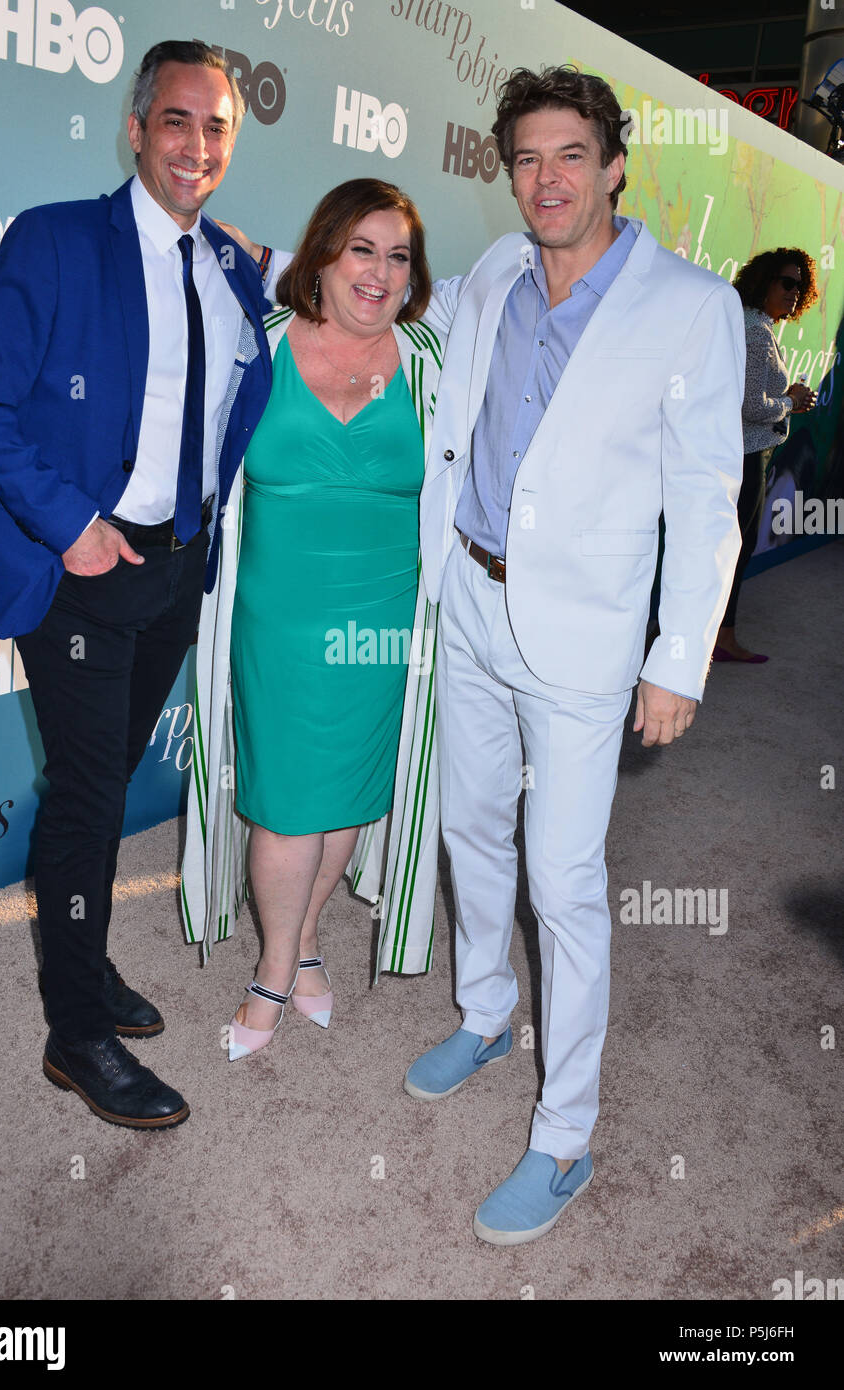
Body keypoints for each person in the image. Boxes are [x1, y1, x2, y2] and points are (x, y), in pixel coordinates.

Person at [405, 65, 746, 1244]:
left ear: (613, 166)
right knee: (467, 827)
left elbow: (708, 497)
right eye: (526, 159)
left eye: (568, 156)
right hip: (471, 603)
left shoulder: (691, 307)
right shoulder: (498, 270)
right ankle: (487, 1010)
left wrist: (680, 656)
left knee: (567, 882)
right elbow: (405, 304)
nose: (545, 180)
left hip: (588, 635)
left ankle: (565, 1137)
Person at [0, 39, 274, 1129]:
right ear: (135, 129)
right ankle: (75, 1031)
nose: (196, 144)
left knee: (109, 780)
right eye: (177, 120)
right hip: (84, 568)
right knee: (86, 797)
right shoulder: (56, 242)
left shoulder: (229, 266)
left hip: (177, 570)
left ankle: (79, 957)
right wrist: (71, 522)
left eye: (217, 126)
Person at [180, 180, 444, 1058]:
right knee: (287, 805)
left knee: (350, 796)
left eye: (398, 255)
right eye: (361, 249)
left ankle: (306, 940)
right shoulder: (256, 346)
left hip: (385, 619)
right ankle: (272, 966)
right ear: (322, 255)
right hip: (279, 616)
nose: (379, 272)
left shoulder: (434, 361)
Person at [713, 248, 819, 662]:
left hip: (736, 453)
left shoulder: (750, 323)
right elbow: (748, 405)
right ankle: (719, 638)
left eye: (800, 286)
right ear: (765, 282)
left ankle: (713, 634)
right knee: (732, 552)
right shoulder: (755, 331)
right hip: (744, 455)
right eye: (786, 283)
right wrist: (792, 402)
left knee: (726, 550)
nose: (794, 293)